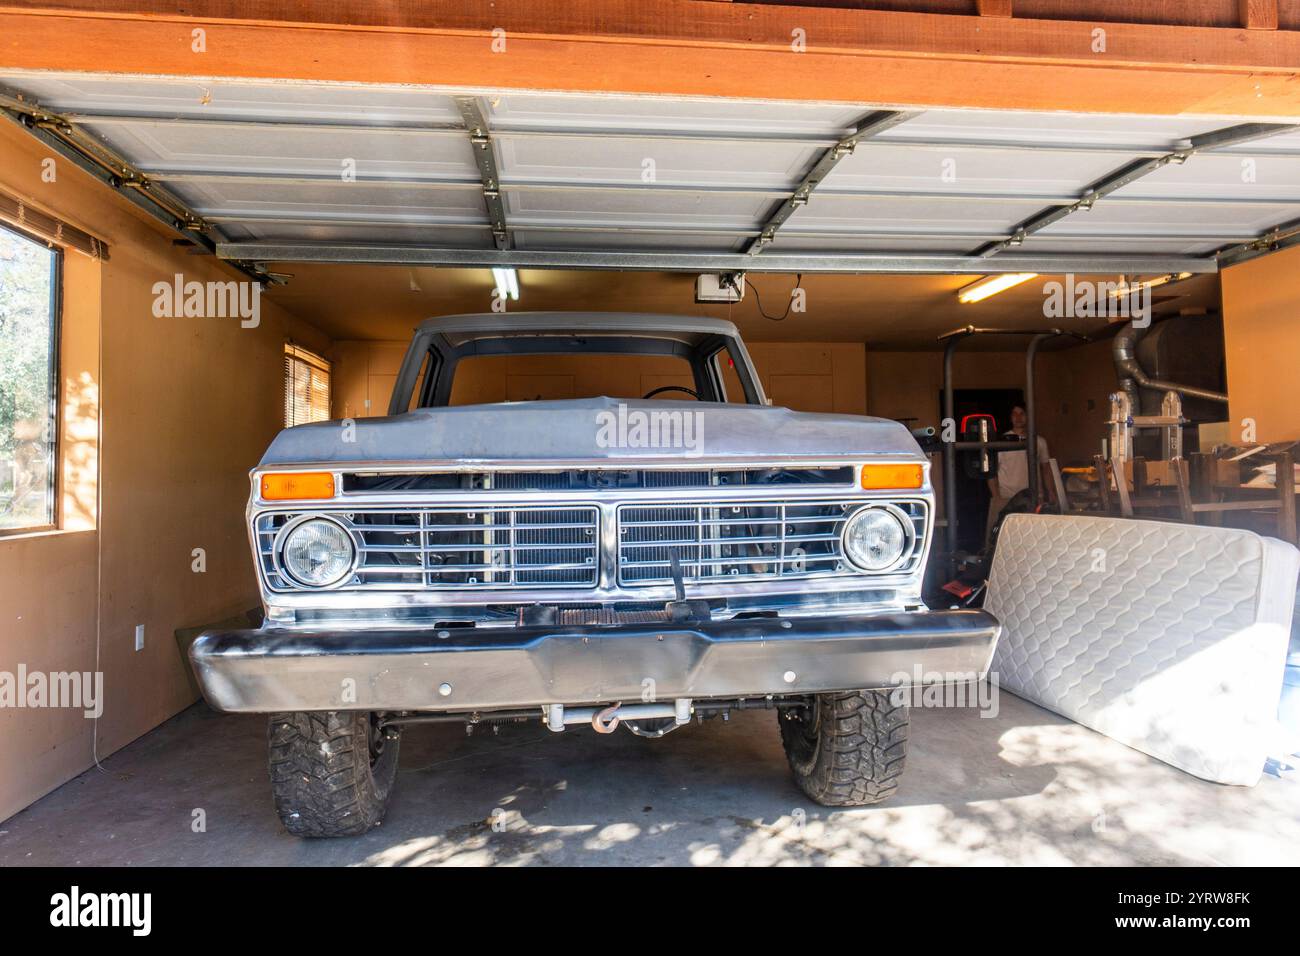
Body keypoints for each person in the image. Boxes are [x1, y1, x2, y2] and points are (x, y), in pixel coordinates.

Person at [985, 404, 1049, 545]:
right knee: (1002, 540)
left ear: (1028, 416)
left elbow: (1046, 470)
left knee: (1031, 540)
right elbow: (991, 472)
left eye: (1022, 413)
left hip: (1031, 499)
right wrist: (997, 497)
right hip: (1006, 498)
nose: (1018, 418)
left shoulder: (1039, 442)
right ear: (1010, 417)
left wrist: (1049, 494)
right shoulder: (1001, 443)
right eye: (1015, 414)